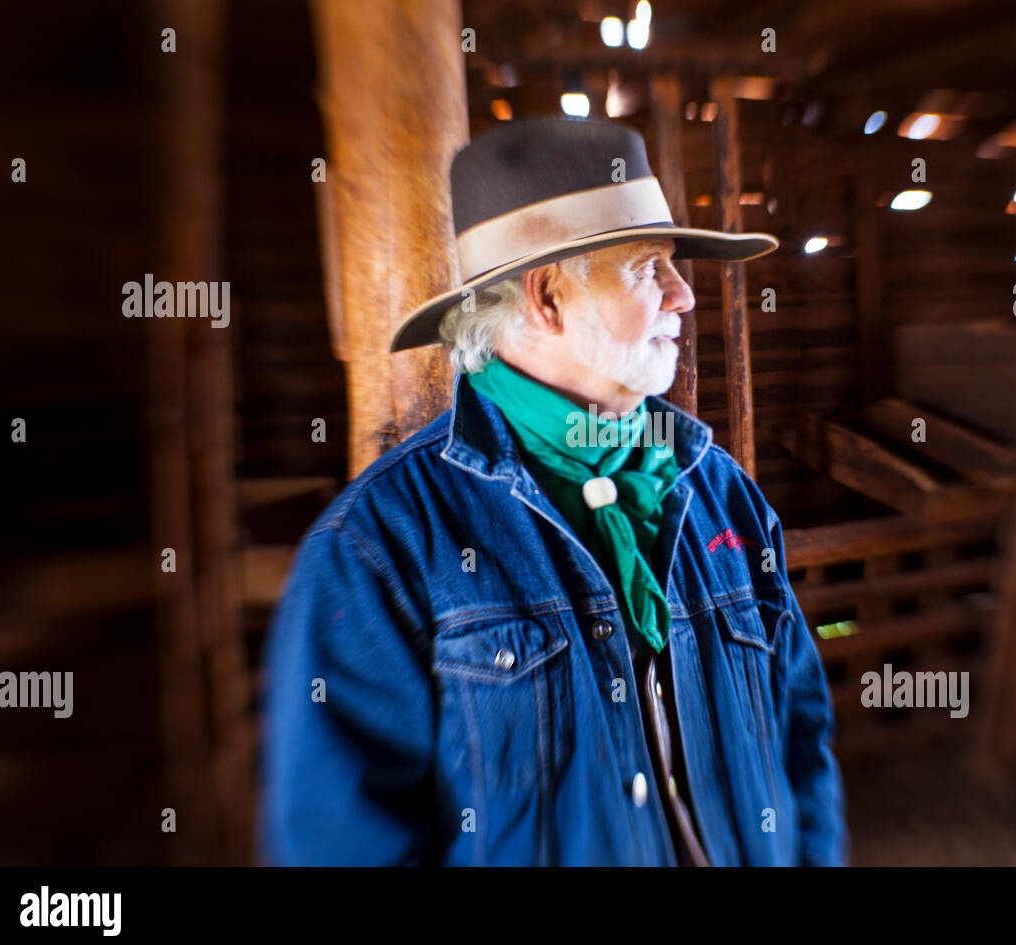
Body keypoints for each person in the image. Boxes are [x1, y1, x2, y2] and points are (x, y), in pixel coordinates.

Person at [259, 116, 849, 865]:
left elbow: (800, 743)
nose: (684, 297)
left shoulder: (721, 492)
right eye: (647, 269)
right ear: (546, 299)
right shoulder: (379, 548)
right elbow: (340, 845)